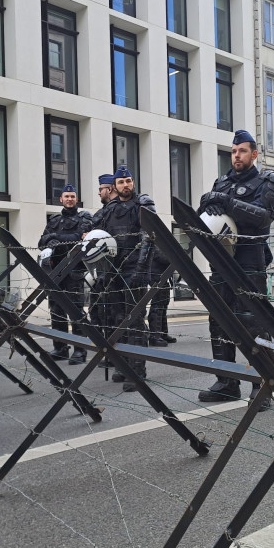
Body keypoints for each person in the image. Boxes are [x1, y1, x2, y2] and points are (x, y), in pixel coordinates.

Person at [196, 130, 274, 408]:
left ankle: (263, 384)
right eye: (234, 151)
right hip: (222, 259)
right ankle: (226, 382)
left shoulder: (266, 181)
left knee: (254, 321)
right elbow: (208, 215)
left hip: (251, 259)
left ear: (253, 154)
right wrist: (207, 201)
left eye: (242, 151)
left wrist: (229, 203)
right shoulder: (220, 183)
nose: (237, 156)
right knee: (219, 319)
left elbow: (263, 217)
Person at [91, 165, 155, 391]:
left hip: (134, 270)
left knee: (135, 321)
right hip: (114, 271)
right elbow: (100, 238)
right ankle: (124, 365)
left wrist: (141, 269)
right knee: (117, 319)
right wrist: (103, 272)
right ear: (115, 186)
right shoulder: (110, 209)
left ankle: (138, 371)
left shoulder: (143, 204)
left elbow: (150, 237)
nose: (125, 185)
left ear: (133, 183)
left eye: (128, 181)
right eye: (121, 182)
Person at [38, 184, 92, 364]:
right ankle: (60, 348)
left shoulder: (84, 218)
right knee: (57, 311)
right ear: (61, 199)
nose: (69, 199)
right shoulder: (53, 221)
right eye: (66, 196)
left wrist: (56, 239)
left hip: (74, 271)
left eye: (72, 196)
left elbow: (81, 238)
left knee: (75, 311)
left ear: (76, 199)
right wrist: (52, 239)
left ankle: (80, 351)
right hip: (55, 271)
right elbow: (41, 241)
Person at [89, 173, 117, 342]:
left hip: (113, 270)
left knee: (112, 314)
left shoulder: (119, 210)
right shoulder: (100, 213)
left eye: (101, 189)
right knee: (98, 312)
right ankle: (105, 348)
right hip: (99, 271)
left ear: (110, 188)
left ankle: (115, 353)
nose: (99, 193)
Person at [147, 245, 174, 347]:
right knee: (157, 306)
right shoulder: (155, 243)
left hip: (162, 276)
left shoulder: (160, 242)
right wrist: (175, 255)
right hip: (156, 277)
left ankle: (162, 333)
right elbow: (162, 258)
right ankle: (155, 336)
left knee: (163, 304)